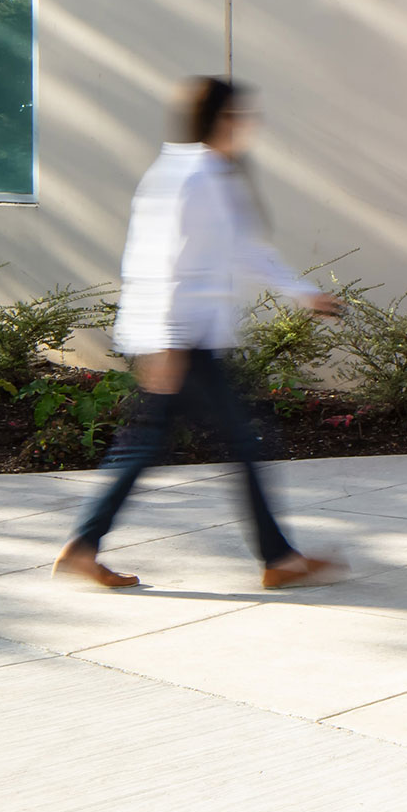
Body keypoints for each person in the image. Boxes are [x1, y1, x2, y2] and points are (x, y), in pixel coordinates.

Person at [55, 77, 345, 591]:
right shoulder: (192, 178)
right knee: (239, 441)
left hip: (189, 337)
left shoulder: (205, 173)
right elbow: (161, 260)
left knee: (150, 443)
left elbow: (245, 249)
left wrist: (304, 293)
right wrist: (167, 342)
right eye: (239, 116)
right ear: (220, 119)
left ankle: (85, 545)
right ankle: (277, 558)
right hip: (182, 340)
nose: (248, 126)